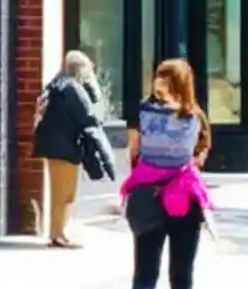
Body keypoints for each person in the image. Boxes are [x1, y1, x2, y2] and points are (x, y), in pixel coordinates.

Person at [122, 59, 212, 289]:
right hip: (185, 198)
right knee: (182, 271)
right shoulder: (196, 117)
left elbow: (133, 150)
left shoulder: (141, 111)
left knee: (145, 271)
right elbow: (198, 158)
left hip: (147, 196)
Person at [32, 49, 103, 248]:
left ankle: (60, 231)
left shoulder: (58, 84)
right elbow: (87, 115)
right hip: (62, 146)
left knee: (65, 192)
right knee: (62, 193)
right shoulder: (70, 88)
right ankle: (57, 234)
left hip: (58, 145)